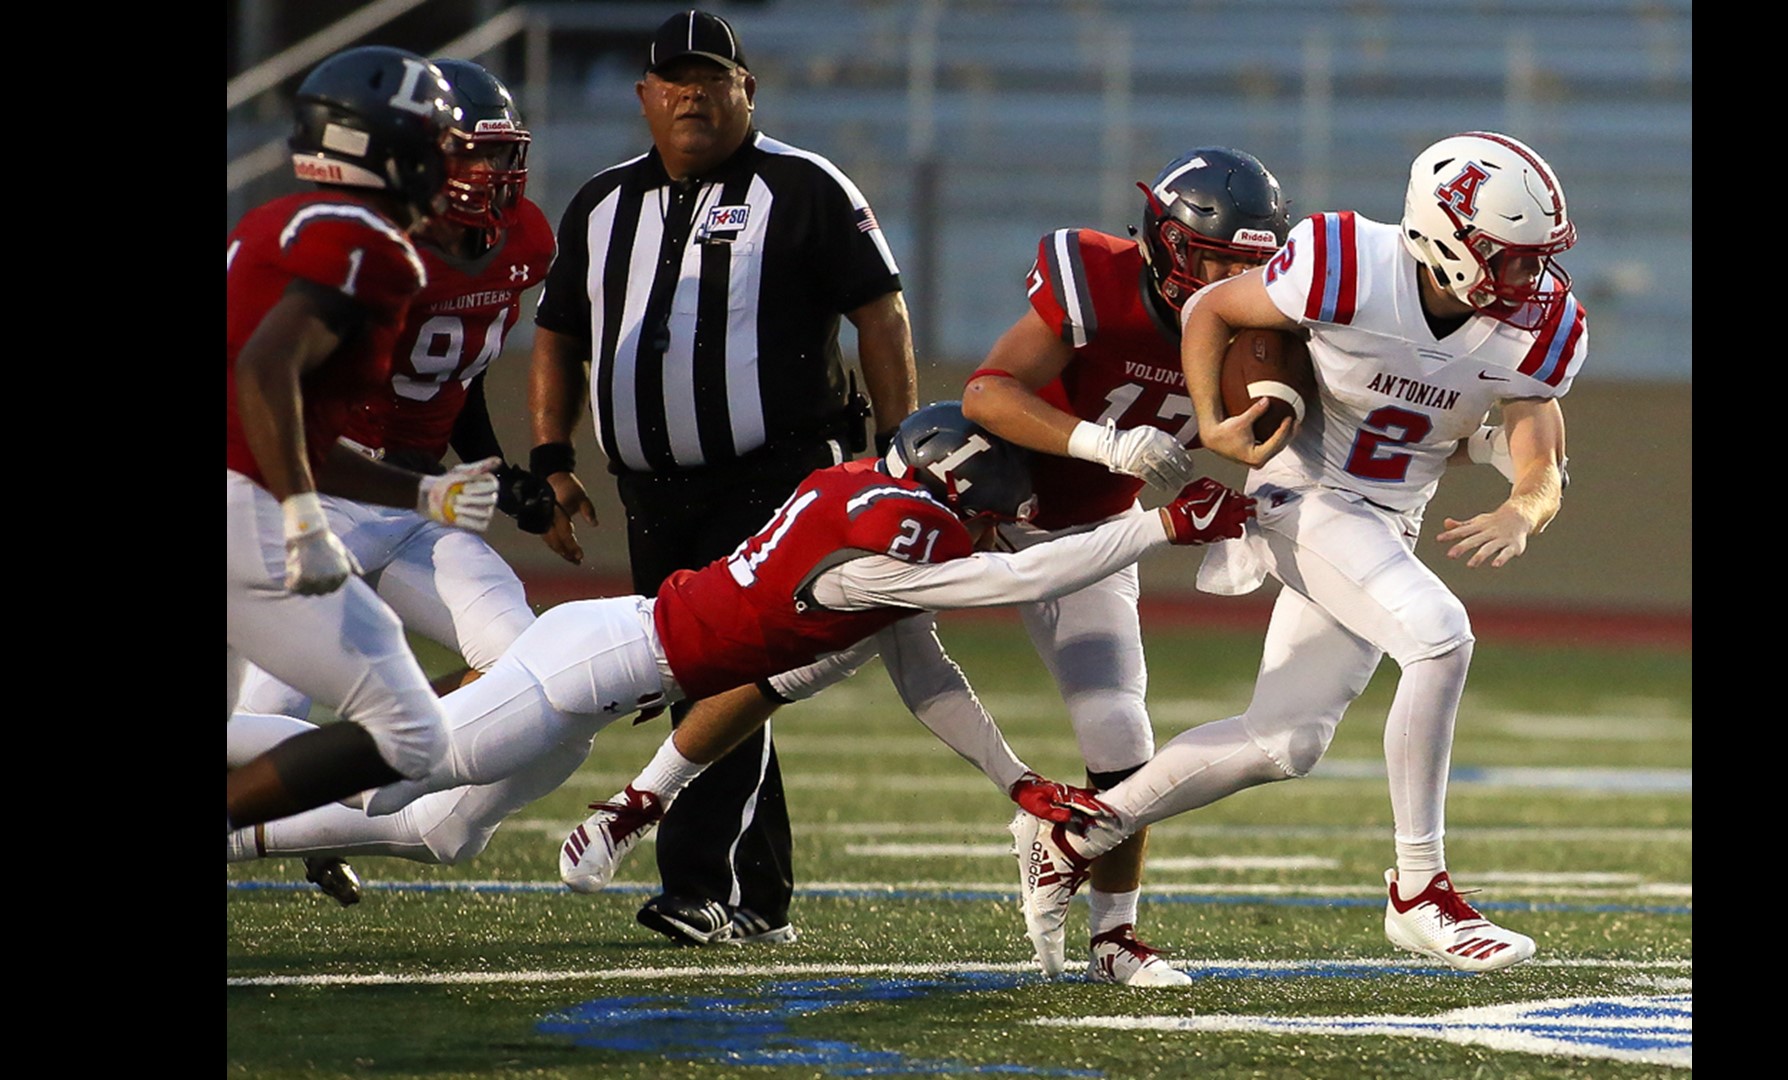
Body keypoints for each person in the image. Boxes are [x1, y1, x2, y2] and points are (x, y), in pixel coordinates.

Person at [227, 406, 1254, 905]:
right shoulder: (886, 539)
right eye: (983, 512)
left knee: (444, 832)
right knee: (405, 758)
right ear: (945, 486)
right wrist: (1159, 527)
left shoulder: (867, 503)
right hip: (599, 662)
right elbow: (1011, 581)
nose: (988, 531)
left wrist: (1017, 780)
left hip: (610, 666)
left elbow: (926, 673)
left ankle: (247, 840)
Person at [1012, 131, 1584, 976]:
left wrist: (1521, 511)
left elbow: (1543, 461)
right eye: (1508, 258)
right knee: (1439, 635)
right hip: (1301, 494)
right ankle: (1419, 890)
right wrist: (1213, 424)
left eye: (1537, 259)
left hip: (1386, 522)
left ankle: (1079, 832)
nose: (1528, 279)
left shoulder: (1543, 325)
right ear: (1444, 237)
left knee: (1285, 741)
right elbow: (1213, 309)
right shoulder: (1344, 260)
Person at [526, 8, 918, 947]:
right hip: (652, 487)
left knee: (724, 665)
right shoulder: (602, 202)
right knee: (697, 672)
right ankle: (758, 896)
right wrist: (550, 456)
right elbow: (559, 333)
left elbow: (882, 313)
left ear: (748, 89)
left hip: (775, 475)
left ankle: (698, 884)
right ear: (645, 96)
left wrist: (898, 448)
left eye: (711, 78)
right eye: (675, 79)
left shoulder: (805, 185)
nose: (692, 95)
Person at [229, 58, 559, 905]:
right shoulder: (363, 244)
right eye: (469, 152)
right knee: (270, 721)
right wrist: (301, 512)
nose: (490, 171)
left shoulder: (523, 241)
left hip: (408, 495)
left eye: (498, 153)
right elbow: (270, 380)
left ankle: (354, 800)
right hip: (304, 489)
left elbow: (459, 377)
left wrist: (490, 477)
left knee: (533, 672)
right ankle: (321, 798)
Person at [958, 147, 1288, 987]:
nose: (1232, 281)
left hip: (1093, 535)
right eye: (1215, 259)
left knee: (1121, 733)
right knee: (807, 649)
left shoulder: (1264, 327)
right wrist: (1099, 442)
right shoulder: (1098, 282)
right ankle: (659, 788)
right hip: (978, 513)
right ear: (1167, 243)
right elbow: (986, 393)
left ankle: (1114, 938)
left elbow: (1301, 426)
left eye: (1247, 266)